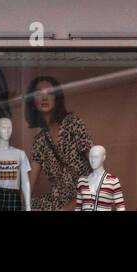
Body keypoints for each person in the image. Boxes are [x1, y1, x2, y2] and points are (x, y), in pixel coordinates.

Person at [25, 75, 93, 211]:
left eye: (50, 93)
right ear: (33, 101)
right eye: (39, 94)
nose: (44, 98)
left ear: (57, 98)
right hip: (59, 199)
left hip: (86, 195)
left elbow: (98, 169)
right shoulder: (40, 141)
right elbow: (29, 185)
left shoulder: (72, 123)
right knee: (31, 206)